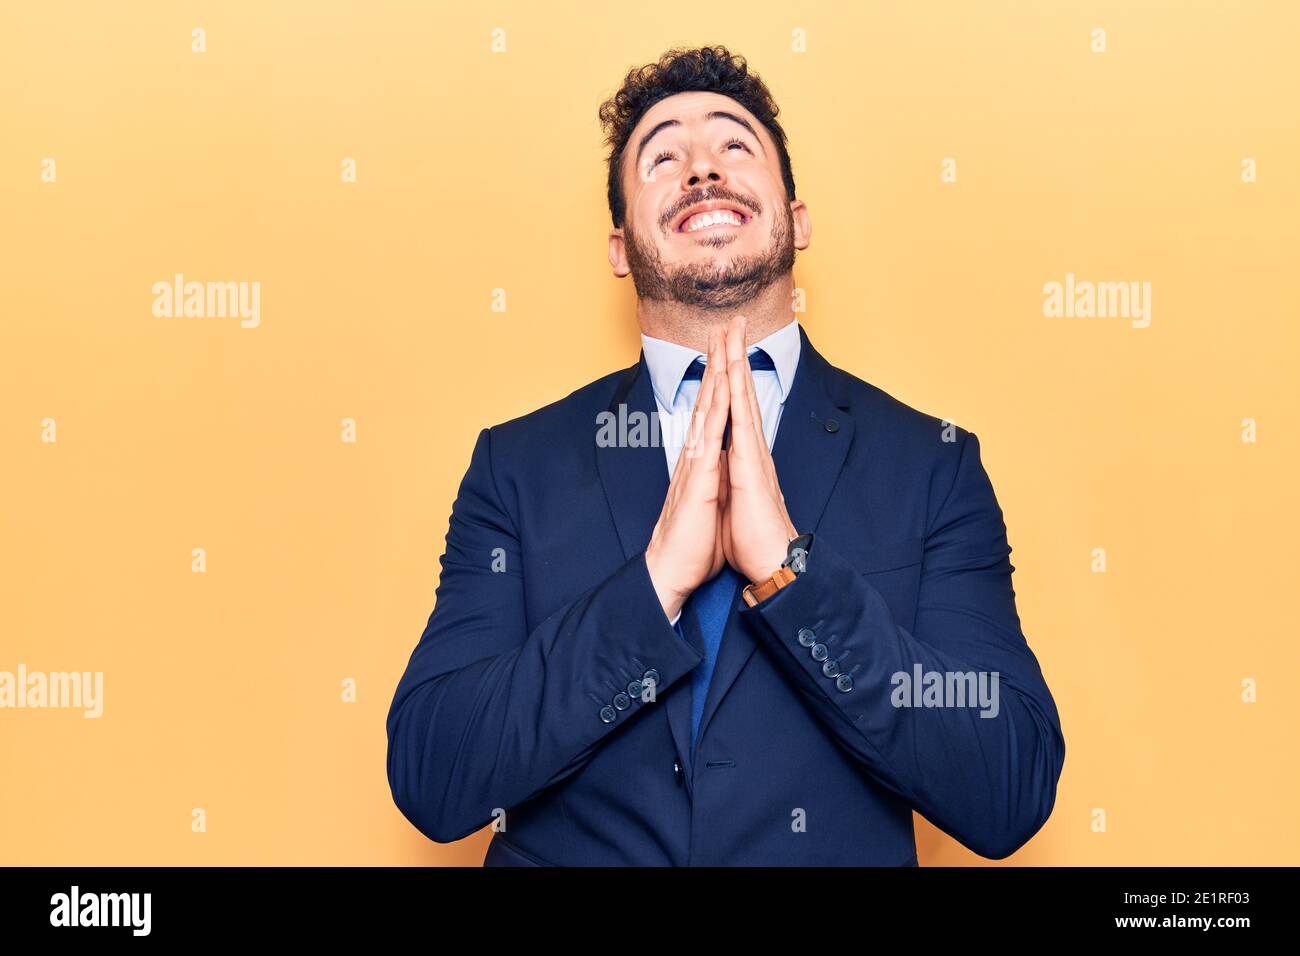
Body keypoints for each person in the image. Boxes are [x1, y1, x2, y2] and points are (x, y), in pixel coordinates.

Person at [386, 45, 1065, 866]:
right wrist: (653, 586)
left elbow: (1008, 785)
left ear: (797, 219)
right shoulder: (516, 466)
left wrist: (788, 576)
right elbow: (434, 769)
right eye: (663, 155)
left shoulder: (933, 465)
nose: (702, 169)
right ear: (619, 246)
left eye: (735, 145)